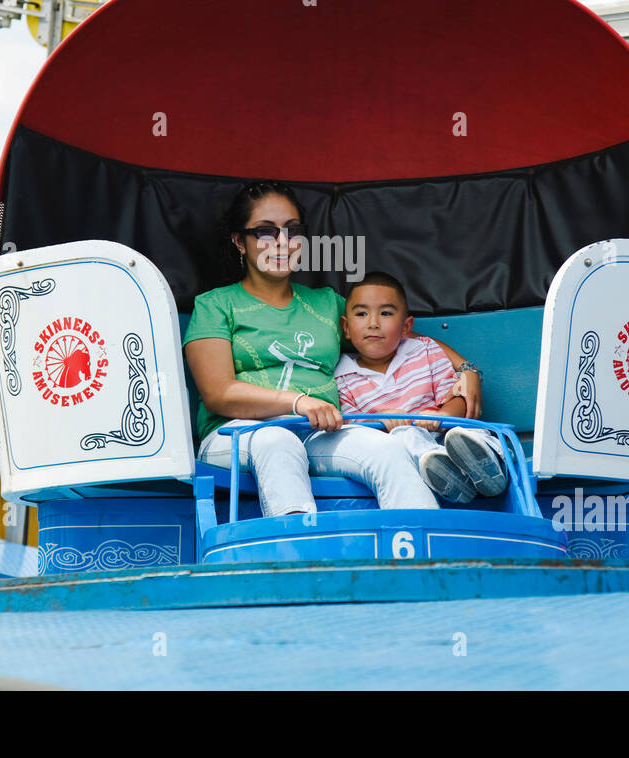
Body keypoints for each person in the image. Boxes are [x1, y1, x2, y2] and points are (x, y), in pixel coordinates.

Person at [182, 180, 483, 517]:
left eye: (292, 230)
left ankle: (425, 555)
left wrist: (467, 370)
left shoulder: (326, 304)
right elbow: (218, 393)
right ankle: (298, 556)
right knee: (276, 442)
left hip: (319, 432)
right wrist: (298, 403)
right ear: (239, 241)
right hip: (236, 435)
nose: (282, 242)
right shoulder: (216, 305)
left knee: (386, 449)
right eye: (265, 232)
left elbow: (392, 334)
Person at [335, 272, 508, 504]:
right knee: (405, 435)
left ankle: (491, 467)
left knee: (470, 433)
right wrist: (380, 421)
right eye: (362, 314)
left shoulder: (424, 350)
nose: (373, 323)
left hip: (447, 436)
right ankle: (446, 474)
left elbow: (457, 395)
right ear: (345, 327)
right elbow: (352, 429)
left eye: (385, 313)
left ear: (406, 326)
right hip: (406, 453)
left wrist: (444, 415)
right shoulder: (342, 376)